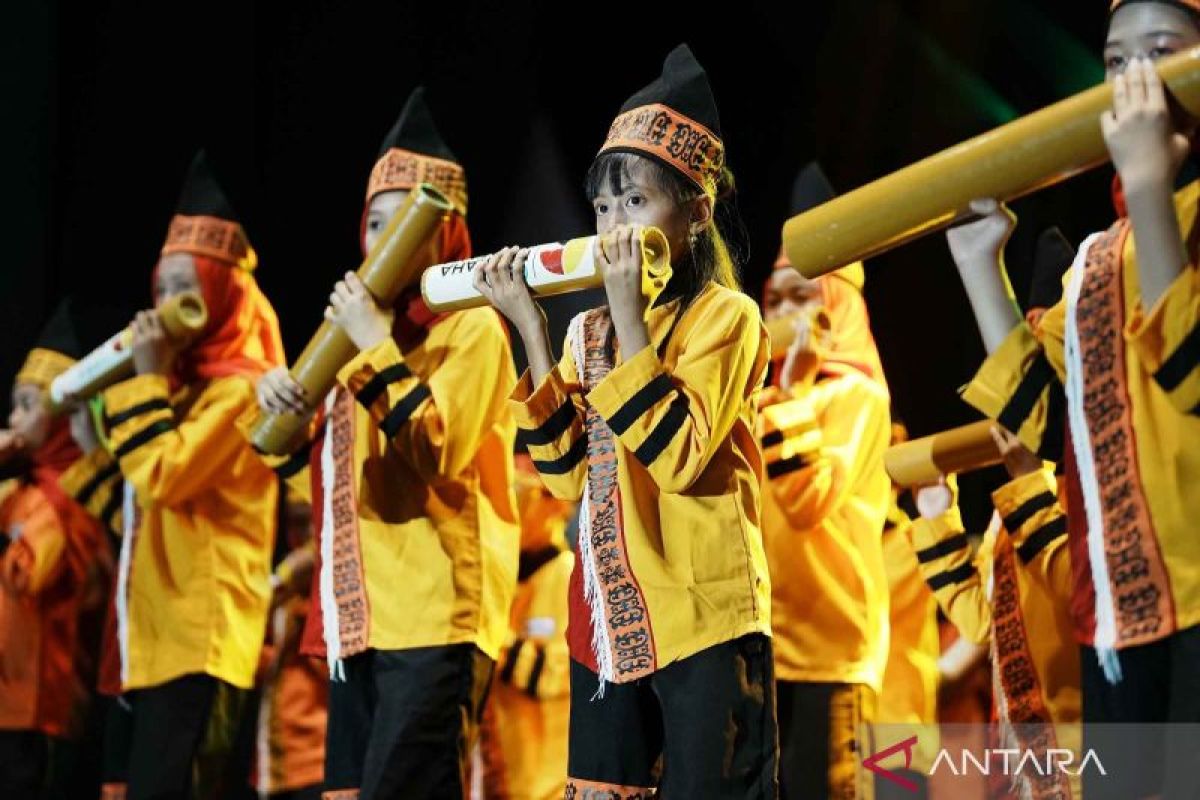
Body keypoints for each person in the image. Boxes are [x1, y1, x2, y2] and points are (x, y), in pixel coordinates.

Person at [475, 43, 778, 799]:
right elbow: (562, 478)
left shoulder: (727, 318)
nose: (612, 226)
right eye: (604, 207)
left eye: (635, 203)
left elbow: (676, 457)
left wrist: (630, 319)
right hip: (604, 625)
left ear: (697, 214)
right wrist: (531, 330)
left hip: (704, 618)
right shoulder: (589, 334)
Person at [946, 3, 1200, 795]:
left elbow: (1191, 372)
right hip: (1120, 607)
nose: (1133, 79)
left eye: (1161, 51)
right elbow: (1045, 422)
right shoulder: (1094, 260)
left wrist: (1150, 186)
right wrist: (979, 264)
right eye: (1116, 61)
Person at [254, 87, 519, 799]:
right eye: (376, 222)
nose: (385, 239)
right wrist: (289, 422)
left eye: (406, 222)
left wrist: (373, 346)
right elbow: (330, 486)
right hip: (361, 621)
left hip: (435, 620)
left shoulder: (470, 327)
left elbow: (436, 450)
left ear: (446, 234)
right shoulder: (358, 342)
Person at [79, 150, 285, 800]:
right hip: (153, 638)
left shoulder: (244, 390)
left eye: (185, 286)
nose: (168, 304)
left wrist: (144, 379)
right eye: (161, 288)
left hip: (202, 637)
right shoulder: (180, 388)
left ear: (222, 292)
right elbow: (138, 499)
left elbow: (164, 478)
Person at [759, 163, 891, 800]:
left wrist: (791, 393)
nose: (785, 314)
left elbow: (807, 500)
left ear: (837, 303)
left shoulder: (858, 397)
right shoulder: (763, 400)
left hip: (830, 655)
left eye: (802, 297)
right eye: (774, 300)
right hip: (766, 651)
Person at [0, 300, 112, 797]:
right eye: (14, 404)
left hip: (37, 702)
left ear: (62, 416)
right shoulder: (22, 491)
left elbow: (25, 575)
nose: (13, 418)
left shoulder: (67, 495)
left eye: (28, 405)